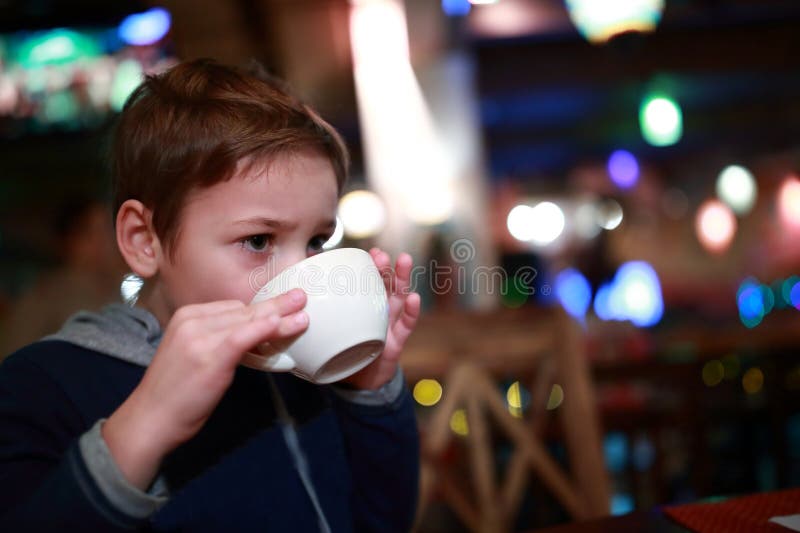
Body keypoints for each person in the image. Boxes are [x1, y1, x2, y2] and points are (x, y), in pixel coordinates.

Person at [0, 59, 422, 532]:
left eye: (316, 241)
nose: (301, 277)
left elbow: (382, 520)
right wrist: (145, 423)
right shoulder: (42, 386)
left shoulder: (303, 369)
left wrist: (368, 391)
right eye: (259, 241)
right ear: (145, 240)